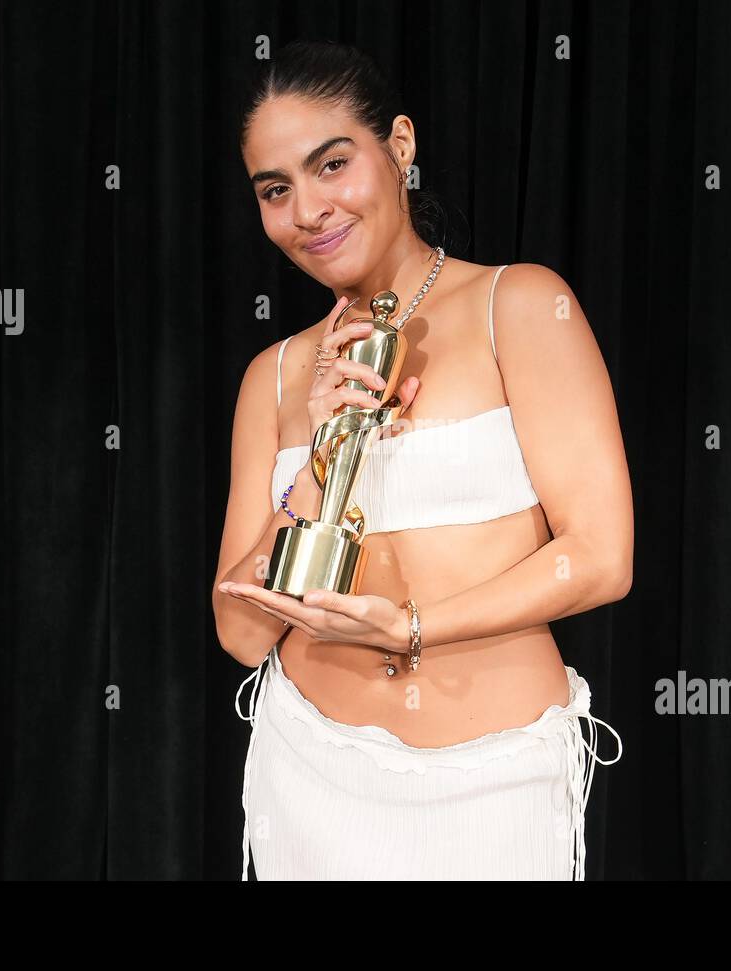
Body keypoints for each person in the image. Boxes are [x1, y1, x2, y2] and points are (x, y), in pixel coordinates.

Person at [213, 39, 633, 880]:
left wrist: (411, 628)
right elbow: (241, 629)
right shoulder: (278, 375)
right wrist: (321, 461)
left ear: (399, 146)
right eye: (276, 189)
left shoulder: (518, 305)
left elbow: (600, 559)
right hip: (309, 771)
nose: (309, 210)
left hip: (494, 780)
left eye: (332, 165)